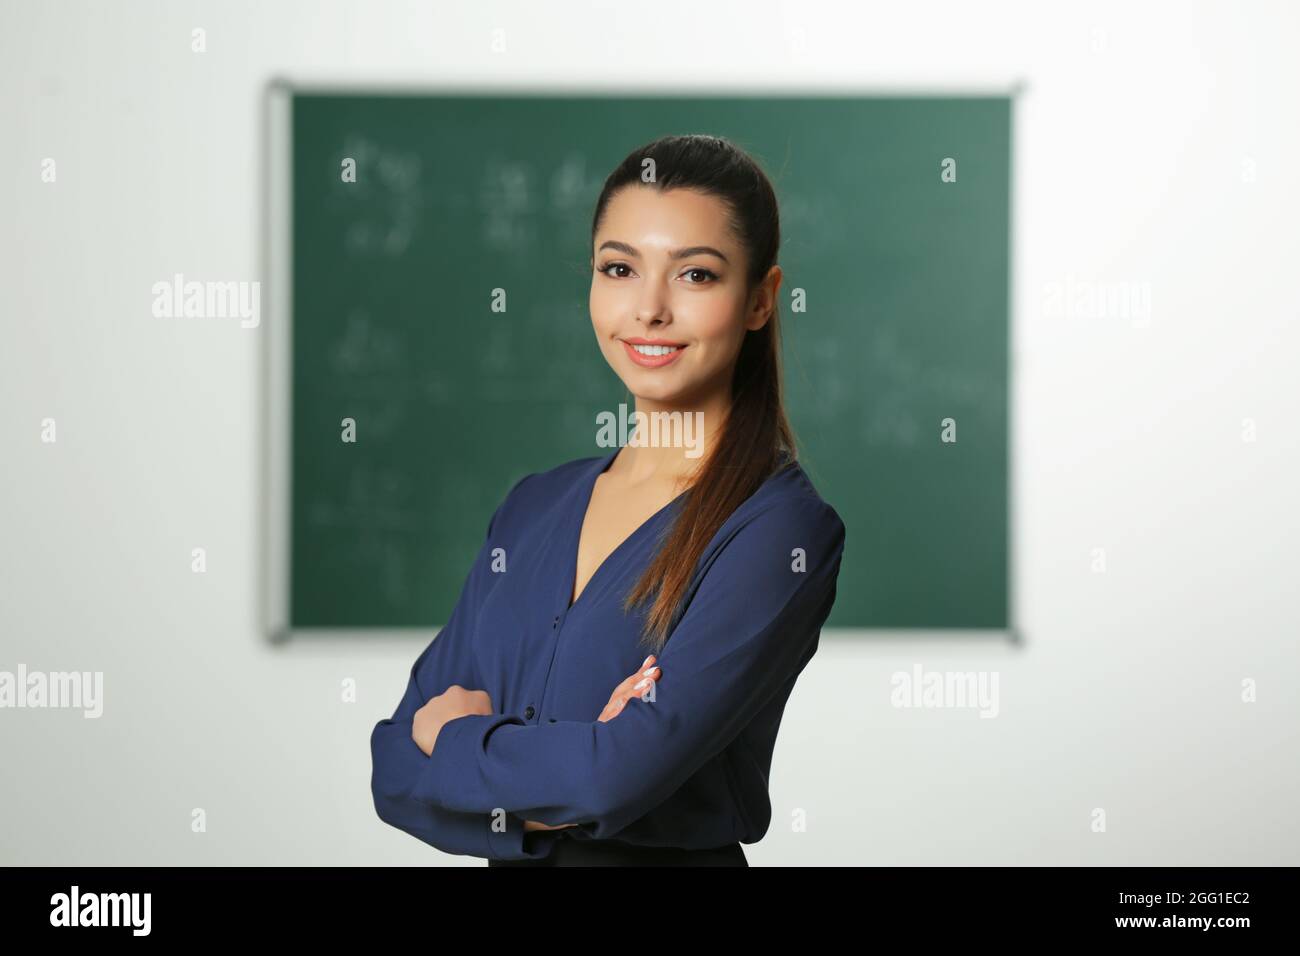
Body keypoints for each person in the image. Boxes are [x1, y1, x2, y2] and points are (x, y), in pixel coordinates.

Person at [370, 133, 846, 866]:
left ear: (759, 299)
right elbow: (395, 766)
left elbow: (614, 777)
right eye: (619, 268)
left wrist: (461, 741)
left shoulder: (779, 528)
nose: (648, 309)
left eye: (695, 275)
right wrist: (552, 800)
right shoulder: (532, 508)